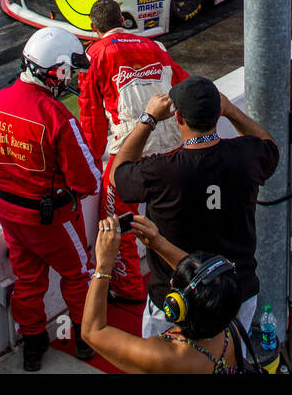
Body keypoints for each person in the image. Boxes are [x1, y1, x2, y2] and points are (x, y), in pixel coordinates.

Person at [111, 78, 279, 339]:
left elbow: (117, 174)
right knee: (229, 363)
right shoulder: (246, 156)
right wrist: (233, 112)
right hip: (235, 292)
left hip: (176, 299)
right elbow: (271, 147)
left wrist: (147, 120)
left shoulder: (162, 170)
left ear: (178, 118)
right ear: (219, 113)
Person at [0, 26, 102, 370]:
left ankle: (32, 345)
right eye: (69, 71)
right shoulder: (57, 117)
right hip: (53, 218)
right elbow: (89, 179)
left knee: (28, 280)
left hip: (10, 213)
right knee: (78, 274)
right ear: (57, 70)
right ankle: (84, 340)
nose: (71, 79)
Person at [79, 0, 190, 303]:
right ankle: (182, 277)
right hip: (171, 148)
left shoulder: (94, 54)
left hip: (129, 152)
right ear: (124, 21)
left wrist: (92, 155)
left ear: (93, 28)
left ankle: (128, 290)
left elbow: (90, 114)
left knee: (116, 222)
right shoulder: (156, 48)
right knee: (170, 218)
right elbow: (186, 88)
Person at [82, 214, 251, 374]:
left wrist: (103, 265)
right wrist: (158, 243)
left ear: (175, 304)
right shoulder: (228, 317)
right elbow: (203, 280)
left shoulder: (167, 357)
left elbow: (93, 331)